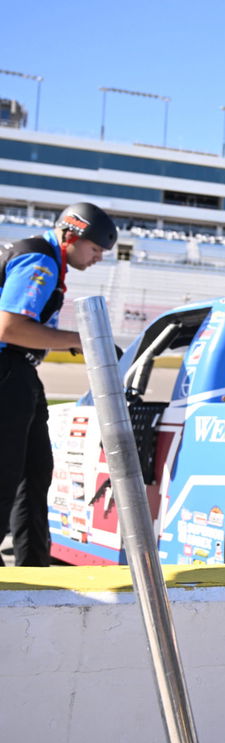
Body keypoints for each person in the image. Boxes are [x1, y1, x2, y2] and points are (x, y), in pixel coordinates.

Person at [0, 202, 117, 566]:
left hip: (19, 371)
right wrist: (77, 338)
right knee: (5, 475)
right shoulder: (40, 260)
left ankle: (34, 565)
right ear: (71, 236)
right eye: (95, 248)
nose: (98, 257)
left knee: (34, 473)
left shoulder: (44, 257)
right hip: (7, 369)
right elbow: (9, 328)